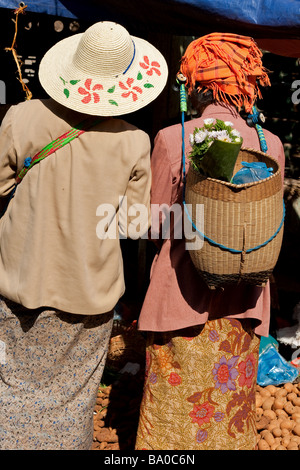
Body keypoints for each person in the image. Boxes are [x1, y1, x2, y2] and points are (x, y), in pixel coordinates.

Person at [0, 21, 168, 450]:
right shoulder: (134, 141)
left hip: (18, 286)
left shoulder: (22, 117)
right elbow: (132, 226)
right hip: (88, 295)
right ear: (124, 83)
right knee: (71, 401)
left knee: (12, 392)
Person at [135, 33, 285, 450]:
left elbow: (155, 225)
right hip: (244, 297)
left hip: (182, 295)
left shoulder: (172, 138)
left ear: (198, 85)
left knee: (174, 413)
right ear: (246, 86)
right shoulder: (268, 144)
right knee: (226, 408)